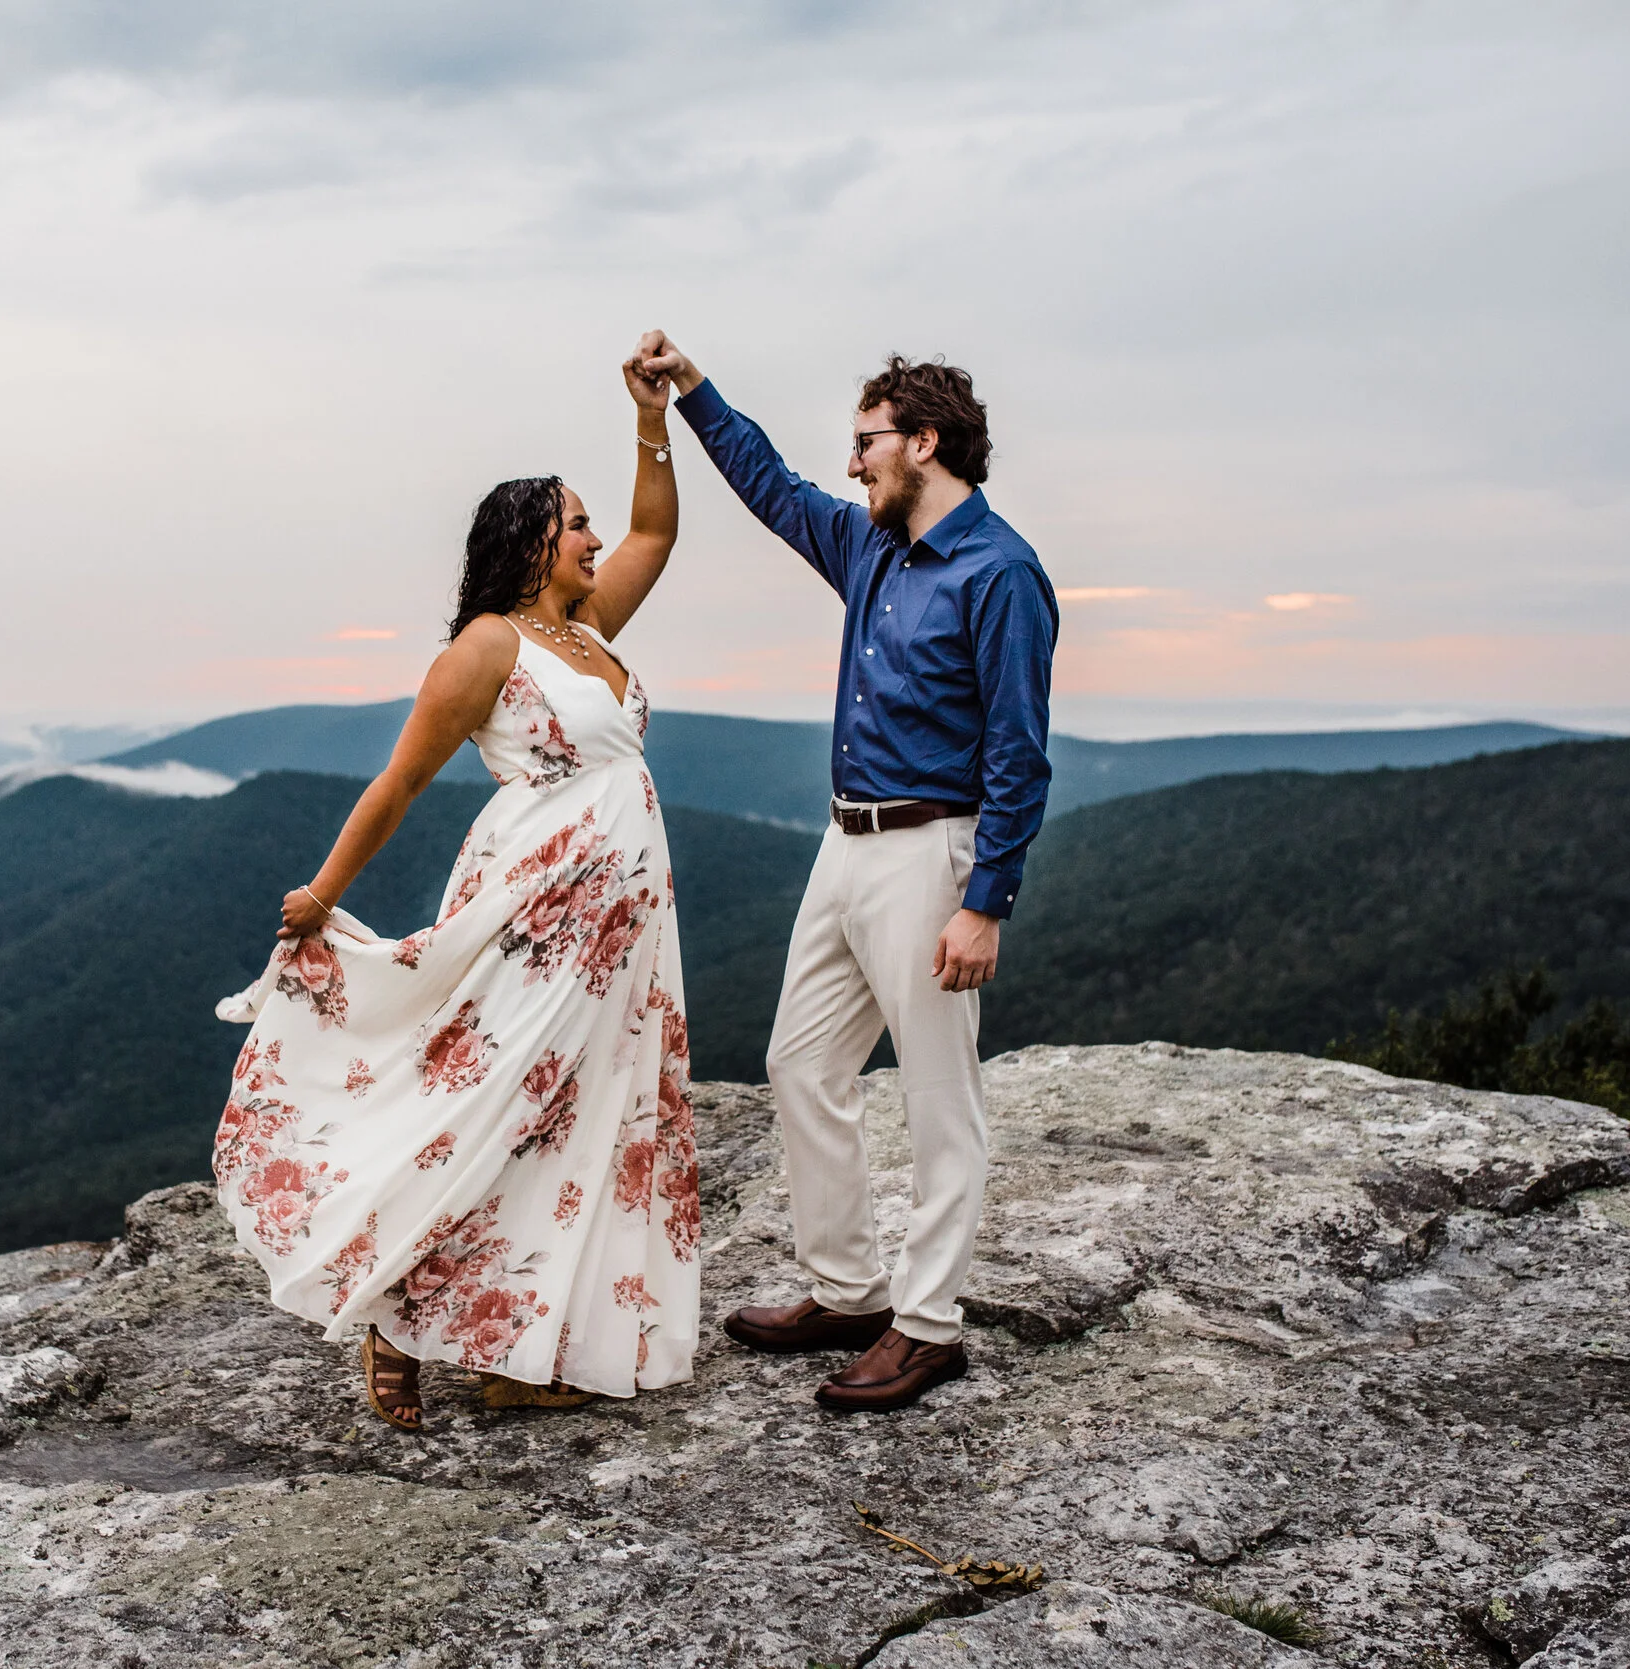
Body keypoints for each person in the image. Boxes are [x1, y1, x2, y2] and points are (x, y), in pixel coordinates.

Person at [213, 349, 694, 1433]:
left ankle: (519, 1349)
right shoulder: (488, 646)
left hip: (619, 929)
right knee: (496, 1110)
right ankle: (395, 1315)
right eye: (576, 524)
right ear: (531, 541)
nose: (595, 538)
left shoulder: (587, 630)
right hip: (540, 913)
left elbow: (657, 532)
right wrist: (322, 890)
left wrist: (648, 420)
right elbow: (399, 781)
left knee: (579, 1126)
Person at [632, 330, 1057, 1413]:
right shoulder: (867, 545)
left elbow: (1017, 750)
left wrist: (983, 902)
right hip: (844, 844)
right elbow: (769, 486)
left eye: (865, 441)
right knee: (799, 1063)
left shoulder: (999, 571)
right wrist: (693, 391)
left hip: (933, 851)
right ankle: (849, 1291)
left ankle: (927, 1327)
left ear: (922, 442)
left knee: (936, 1096)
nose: (851, 462)